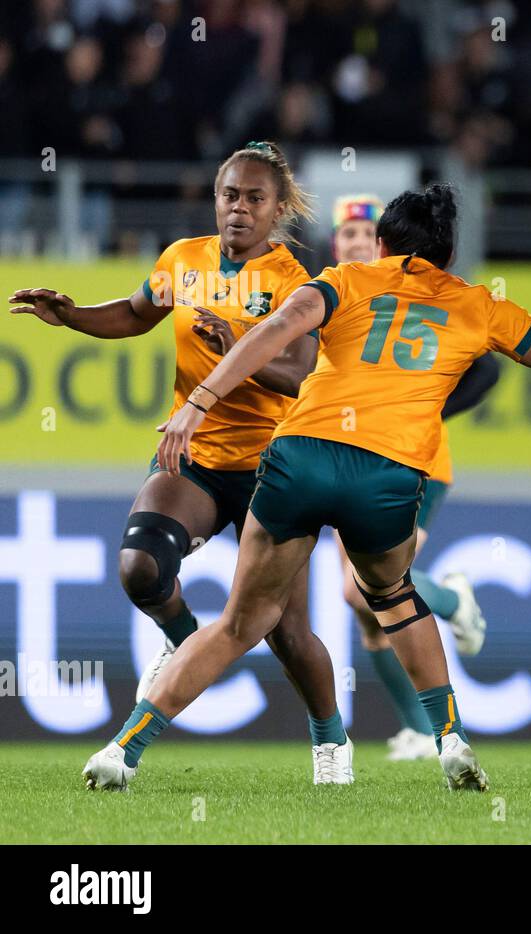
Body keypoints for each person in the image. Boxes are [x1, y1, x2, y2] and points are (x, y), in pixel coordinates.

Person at [82, 183, 531, 791]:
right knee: (395, 600)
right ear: (447, 253)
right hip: (386, 473)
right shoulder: (478, 306)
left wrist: (199, 399)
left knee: (242, 622)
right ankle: (450, 739)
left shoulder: (343, 282)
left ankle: (125, 750)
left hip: (299, 455)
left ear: (381, 242)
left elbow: (275, 332)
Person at [10, 141, 354, 784]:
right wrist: (74, 316)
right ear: (215, 198)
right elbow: (138, 313)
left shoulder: (291, 281)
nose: (240, 209)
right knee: (140, 568)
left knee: (286, 632)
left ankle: (331, 741)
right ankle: (182, 640)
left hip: (273, 469)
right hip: (194, 456)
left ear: (279, 209)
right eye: (230, 195)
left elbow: (301, 374)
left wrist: (240, 353)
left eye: (255, 199)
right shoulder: (184, 260)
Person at [331, 194, 498, 761]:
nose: (355, 245)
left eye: (363, 236)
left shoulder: (424, 295)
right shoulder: (342, 289)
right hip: (352, 457)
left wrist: (424, 408)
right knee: (368, 612)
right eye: (346, 236)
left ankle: (453, 600)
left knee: (362, 587)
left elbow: (488, 366)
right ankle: (418, 731)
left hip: (415, 459)